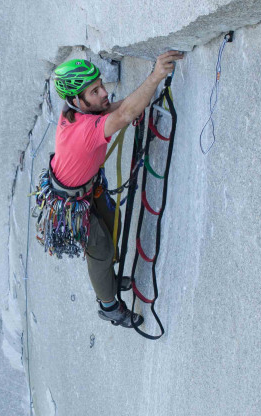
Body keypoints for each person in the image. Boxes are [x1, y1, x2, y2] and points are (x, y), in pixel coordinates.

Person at [48, 50, 185, 326]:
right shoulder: (84, 132)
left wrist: (129, 108)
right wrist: (156, 75)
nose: (103, 93)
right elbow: (122, 113)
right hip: (71, 204)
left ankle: (109, 281)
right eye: (95, 91)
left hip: (83, 189)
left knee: (113, 227)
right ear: (77, 100)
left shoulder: (76, 110)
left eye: (101, 86)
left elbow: (112, 111)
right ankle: (109, 306)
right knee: (98, 250)